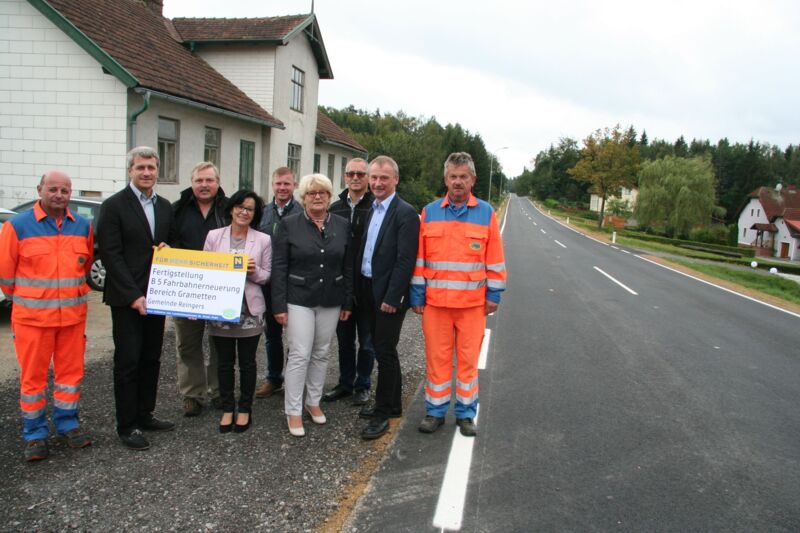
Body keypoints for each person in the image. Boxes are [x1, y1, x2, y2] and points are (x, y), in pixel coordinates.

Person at [411, 152, 507, 437]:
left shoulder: (486, 213)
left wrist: (494, 294)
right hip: (436, 305)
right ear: (445, 179)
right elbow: (420, 257)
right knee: (436, 360)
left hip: (472, 306)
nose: (458, 182)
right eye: (453, 176)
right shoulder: (429, 212)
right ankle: (435, 412)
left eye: (463, 176)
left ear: (473, 180)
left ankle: (466, 414)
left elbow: (495, 258)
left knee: (467, 362)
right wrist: (417, 294)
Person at [0, 171, 94, 461]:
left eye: (64, 190)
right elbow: (6, 276)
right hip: (32, 321)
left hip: (72, 319)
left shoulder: (82, 226)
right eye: (52, 189)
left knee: (70, 377)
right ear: (40, 189)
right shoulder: (17, 226)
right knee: (33, 380)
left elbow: (84, 265)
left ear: (70, 193)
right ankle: (35, 434)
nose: (58, 195)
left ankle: (68, 425)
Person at [98, 146, 176, 451]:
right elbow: (111, 254)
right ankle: (127, 424)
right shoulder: (114, 206)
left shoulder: (165, 206)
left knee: (151, 359)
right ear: (130, 170)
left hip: (157, 296)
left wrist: (170, 249)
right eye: (140, 167)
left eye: (151, 167)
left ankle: (145, 414)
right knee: (128, 362)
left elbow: (171, 244)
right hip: (126, 298)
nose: (146, 172)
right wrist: (133, 295)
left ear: (157, 170)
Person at [271, 174, 353, 437]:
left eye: (323, 193)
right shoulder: (288, 224)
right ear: (303, 197)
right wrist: (278, 305)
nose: (317, 197)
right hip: (298, 298)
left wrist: (348, 300)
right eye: (312, 193)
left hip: (331, 298)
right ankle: (293, 410)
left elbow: (348, 265)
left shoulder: (342, 224)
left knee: (321, 352)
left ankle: (313, 402)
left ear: (329, 197)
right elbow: (279, 266)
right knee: (300, 353)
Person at [357, 155, 420, 440]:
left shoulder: (405, 213)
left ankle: (382, 412)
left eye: (384, 178)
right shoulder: (372, 208)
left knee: (384, 351)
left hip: (389, 296)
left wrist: (393, 297)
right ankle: (392, 404)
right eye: (374, 177)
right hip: (369, 289)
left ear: (396, 179)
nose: (378, 183)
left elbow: (405, 260)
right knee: (384, 349)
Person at [204, 190, 271, 434]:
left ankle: (245, 408)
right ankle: (227, 408)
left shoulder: (263, 240)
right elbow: (204, 270)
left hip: (249, 311)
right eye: (240, 207)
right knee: (224, 363)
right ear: (231, 209)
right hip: (221, 310)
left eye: (250, 209)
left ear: (255, 214)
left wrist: (253, 271)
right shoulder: (214, 236)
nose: (244, 212)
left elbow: (267, 276)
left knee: (247, 363)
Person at [171, 162, 229, 417]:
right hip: (187, 288)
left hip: (220, 287)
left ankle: (218, 391)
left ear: (218, 182)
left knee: (220, 343)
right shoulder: (177, 209)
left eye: (209, 180)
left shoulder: (229, 209)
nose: (204, 185)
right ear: (192, 183)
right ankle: (193, 394)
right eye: (199, 181)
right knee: (187, 344)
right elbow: (168, 242)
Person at [322, 158, 377, 406]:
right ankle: (345, 383)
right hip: (341, 286)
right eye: (351, 173)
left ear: (368, 177)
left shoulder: (376, 207)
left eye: (360, 174)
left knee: (367, 342)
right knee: (344, 341)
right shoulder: (334, 209)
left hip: (366, 286)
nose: (355, 177)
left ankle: (363, 384)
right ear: (345, 176)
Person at [255, 167, 300, 399]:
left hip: (295, 284)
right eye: (278, 184)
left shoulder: (302, 212)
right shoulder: (262, 213)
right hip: (268, 283)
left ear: (294, 186)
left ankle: (294, 379)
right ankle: (274, 378)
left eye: (287, 184)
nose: (282, 188)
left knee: (296, 335)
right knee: (271, 334)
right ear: (272, 185)